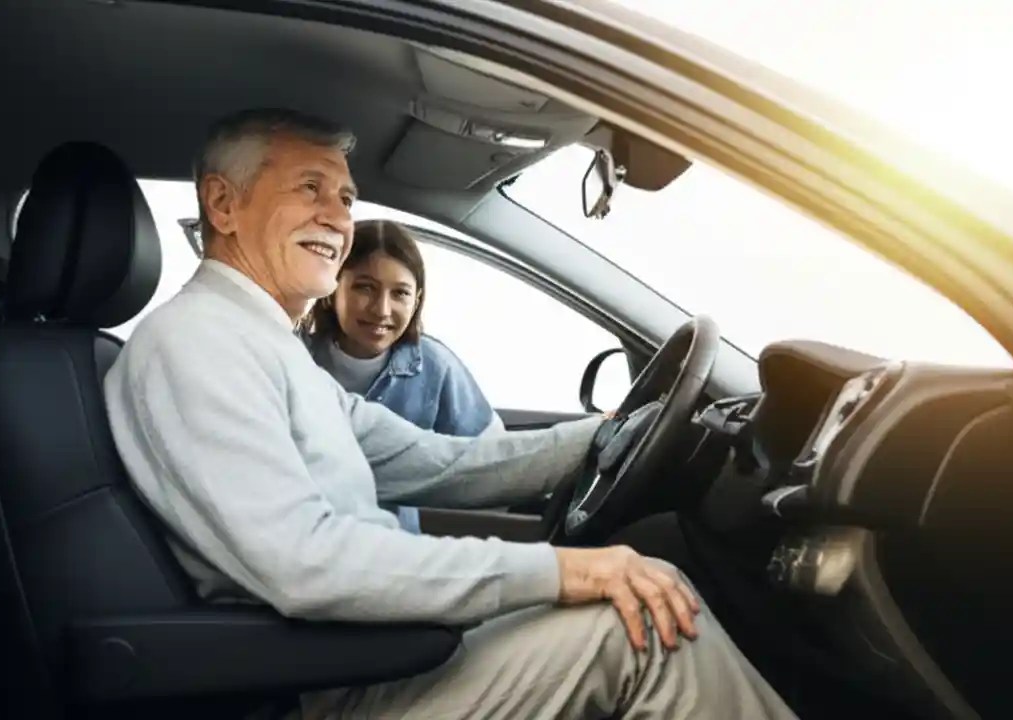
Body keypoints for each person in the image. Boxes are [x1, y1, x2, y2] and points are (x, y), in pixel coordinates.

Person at [103, 108, 795, 719]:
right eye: (308, 189)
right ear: (223, 206)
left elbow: (442, 465)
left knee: (644, 582)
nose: (338, 218)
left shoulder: (267, 347)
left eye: (345, 197)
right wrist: (563, 570)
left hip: (368, 658)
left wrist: (609, 433)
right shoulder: (196, 342)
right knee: (650, 621)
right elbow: (303, 561)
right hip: (324, 688)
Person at [301, 219, 499, 437]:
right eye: (365, 288)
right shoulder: (297, 359)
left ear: (416, 301)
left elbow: (489, 451)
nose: (382, 310)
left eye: (400, 293)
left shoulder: (437, 367)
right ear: (330, 290)